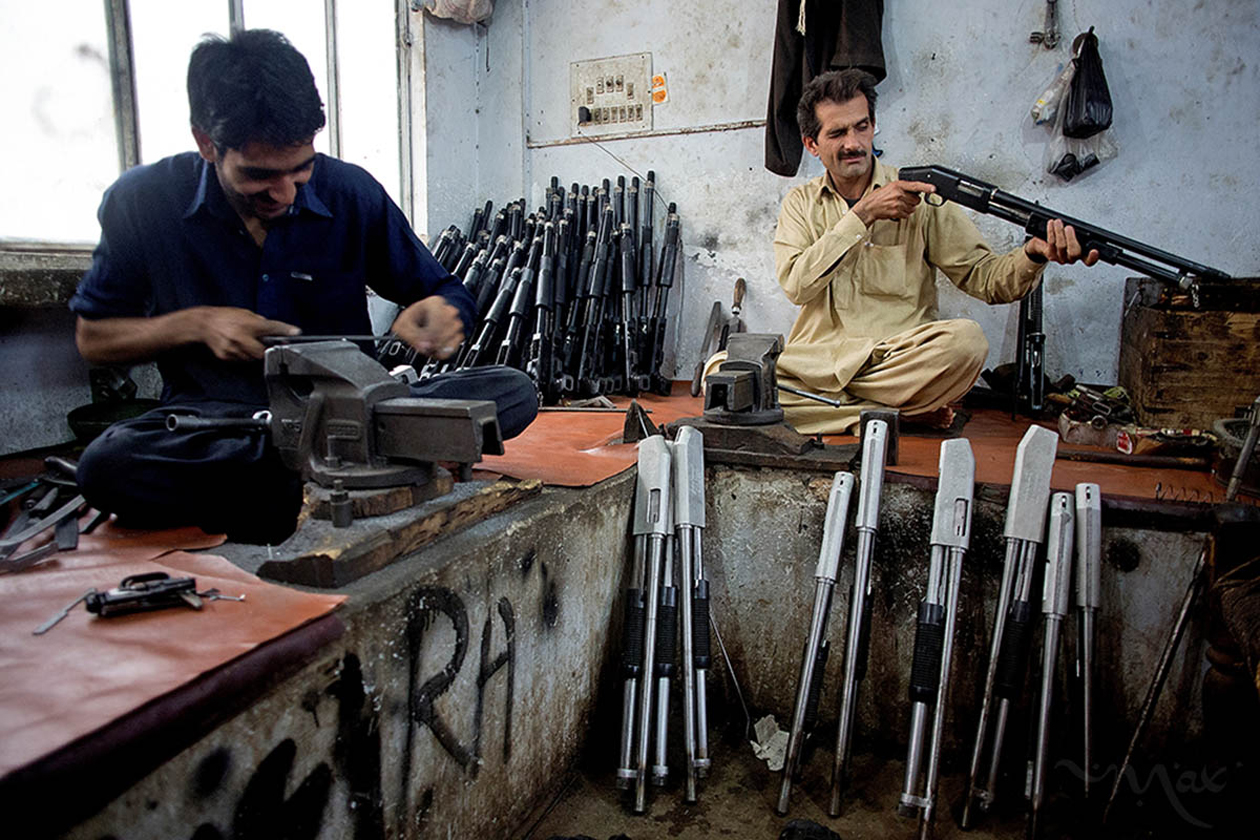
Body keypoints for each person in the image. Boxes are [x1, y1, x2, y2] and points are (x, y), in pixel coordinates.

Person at [69, 29, 537, 544]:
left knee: (512, 390)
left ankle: (306, 478)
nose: (287, 192)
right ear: (207, 142)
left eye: (302, 169)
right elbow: (95, 340)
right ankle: (349, 470)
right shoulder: (143, 201)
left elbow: (444, 291)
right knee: (106, 466)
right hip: (226, 427)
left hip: (358, 413)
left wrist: (440, 312)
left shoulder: (349, 192)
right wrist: (198, 323)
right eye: (260, 175)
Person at [722, 68, 1099, 434]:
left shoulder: (920, 193)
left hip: (897, 361)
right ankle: (890, 416)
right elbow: (797, 286)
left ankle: (856, 412)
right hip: (818, 364)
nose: (853, 143)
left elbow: (984, 279)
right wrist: (863, 216)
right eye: (837, 133)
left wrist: (1033, 254)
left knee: (966, 343)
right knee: (720, 373)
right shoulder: (800, 203)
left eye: (862, 127)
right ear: (812, 144)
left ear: (873, 125)